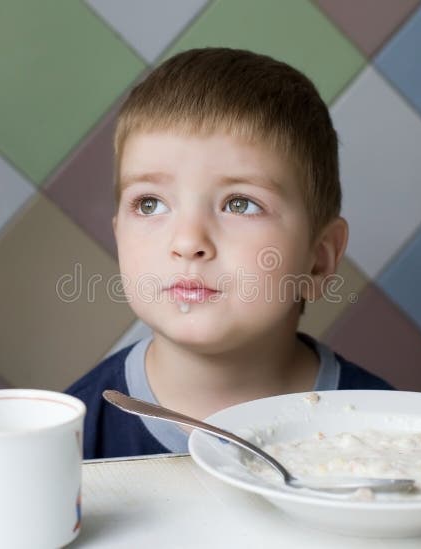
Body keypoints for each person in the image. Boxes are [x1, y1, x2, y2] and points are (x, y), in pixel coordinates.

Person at [64, 47, 392, 460]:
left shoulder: (392, 431)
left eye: (240, 204)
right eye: (150, 203)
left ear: (319, 259)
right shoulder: (69, 442)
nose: (188, 242)